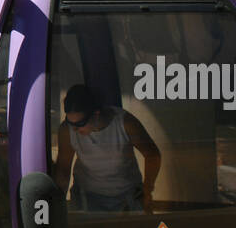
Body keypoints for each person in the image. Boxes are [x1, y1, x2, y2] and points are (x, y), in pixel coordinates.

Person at [54, 84, 161, 213]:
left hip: (127, 195)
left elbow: (152, 155)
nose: (75, 129)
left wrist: (147, 190)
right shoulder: (67, 130)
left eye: (79, 124)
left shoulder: (125, 123)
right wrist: (57, 206)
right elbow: (63, 170)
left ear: (96, 114)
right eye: (70, 122)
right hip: (87, 196)